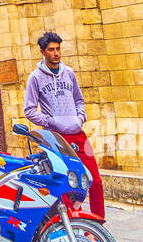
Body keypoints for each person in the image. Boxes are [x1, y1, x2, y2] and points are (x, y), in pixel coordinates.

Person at [24, 31, 103, 221]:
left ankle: (99, 228)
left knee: (95, 182)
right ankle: (74, 229)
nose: (56, 53)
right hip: (57, 138)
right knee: (67, 184)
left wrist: (80, 117)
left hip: (78, 134)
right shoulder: (35, 77)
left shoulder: (69, 73)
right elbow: (29, 110)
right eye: (51, 50)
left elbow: (79, 100)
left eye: (58, 49)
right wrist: (51, 122)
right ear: (43, 52)